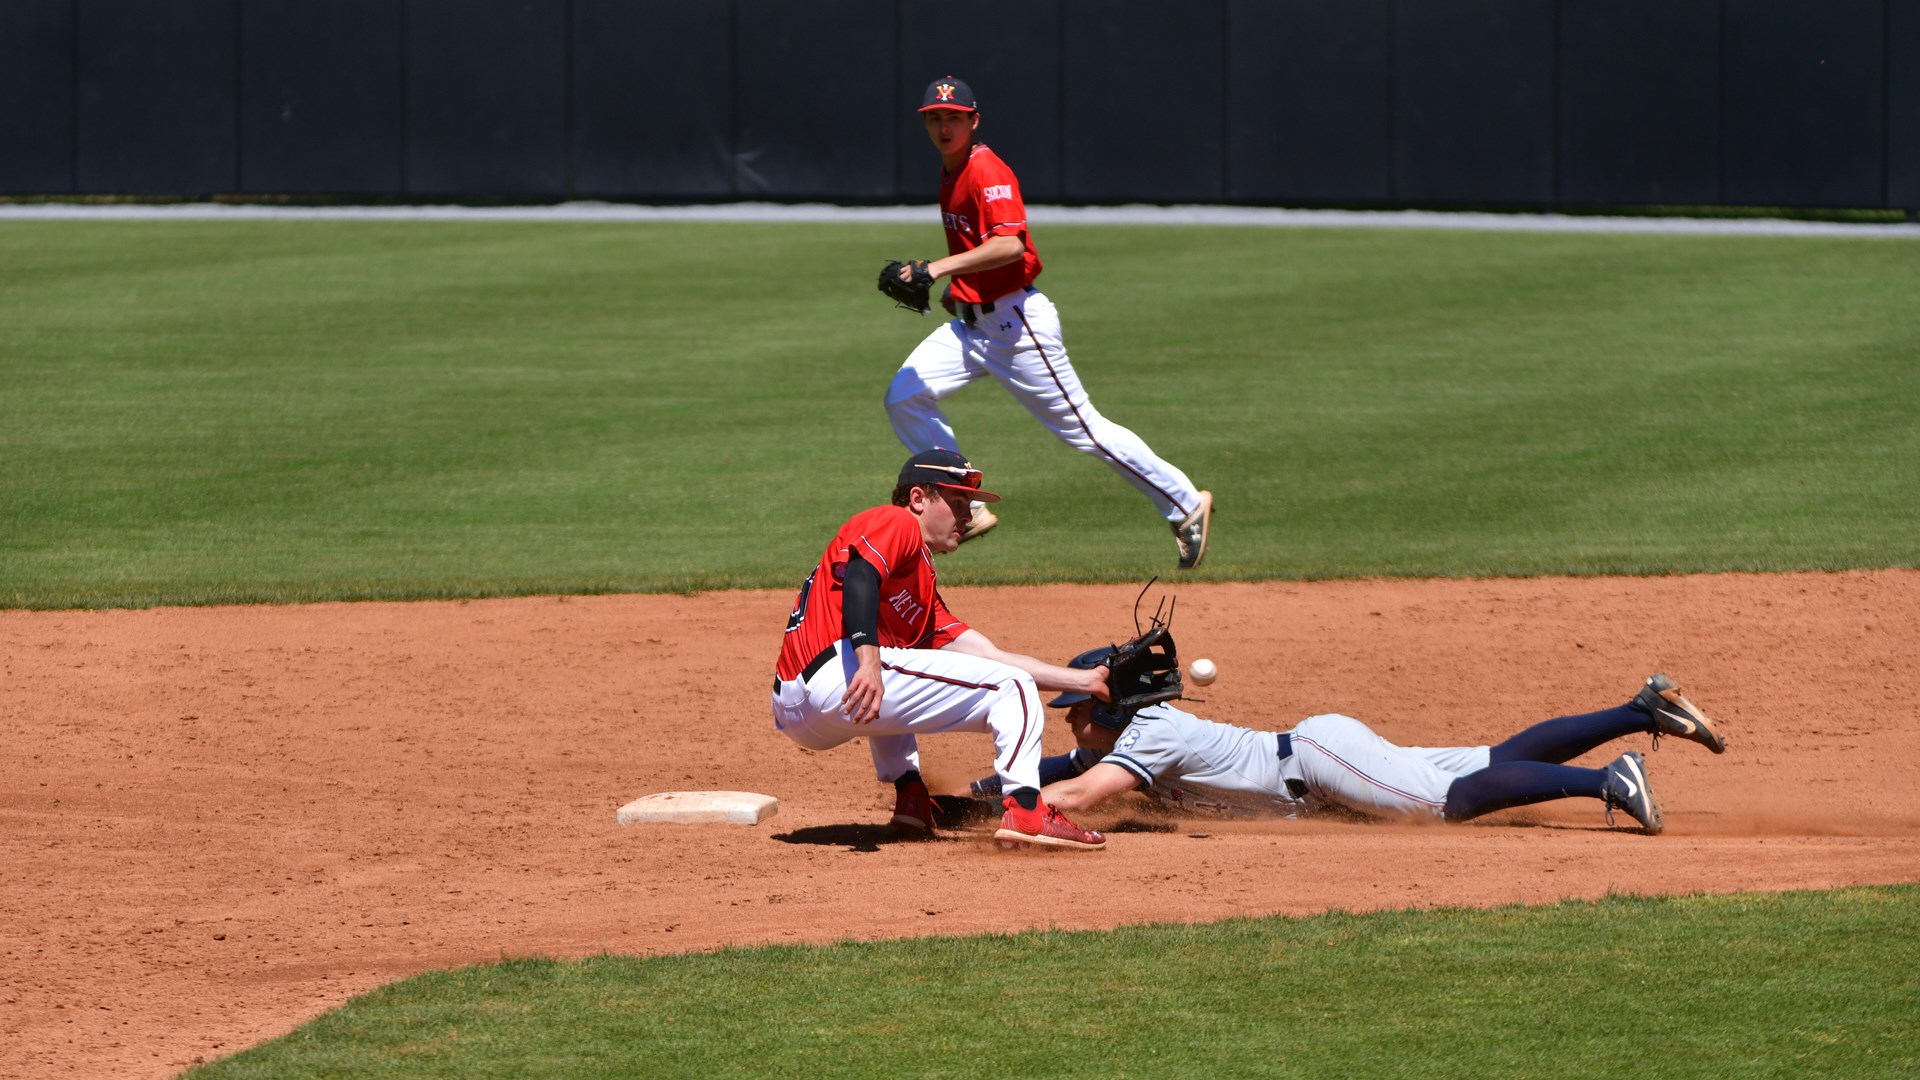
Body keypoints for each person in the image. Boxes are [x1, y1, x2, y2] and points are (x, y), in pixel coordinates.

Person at [883, 75, 1213, 569]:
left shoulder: (985, 169)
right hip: (973, 327)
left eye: (953, 117)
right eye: (935, 118)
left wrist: (936, 270)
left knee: (1084, 430)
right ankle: (965, 506)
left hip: (1018, 330)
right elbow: (984, 251)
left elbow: (1010, 244)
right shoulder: (951, 170)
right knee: (904, 395)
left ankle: (1184, 502)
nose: (943, 126)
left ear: (973, 121)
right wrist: (958, 290)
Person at [956, 656, 1728, 835]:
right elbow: (1059, 768)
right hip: (1324, 755)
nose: (1067, 724)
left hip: (1322, 764)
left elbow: (1081, 794)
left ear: (1113, 710)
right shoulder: (1120, 738)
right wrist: (986, 792)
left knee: (1441, 805)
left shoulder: (1148, 734)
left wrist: (1020, 810)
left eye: (1074, 712)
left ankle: (1607, 781)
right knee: (1492, 763)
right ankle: (1640, 710)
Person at [770, 449, 1111, 850]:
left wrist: (1088, 681)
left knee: (931, 666)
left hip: (803, 706)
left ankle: (911, 797)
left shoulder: (921, 591)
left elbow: (991, 657)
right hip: (835, 677)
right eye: (958, 502)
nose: (968, 516)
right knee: (1013, 687)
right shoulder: (897, 521)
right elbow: (861, 576)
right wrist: (868, 659)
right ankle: (1026, 809)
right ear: (918, 499)